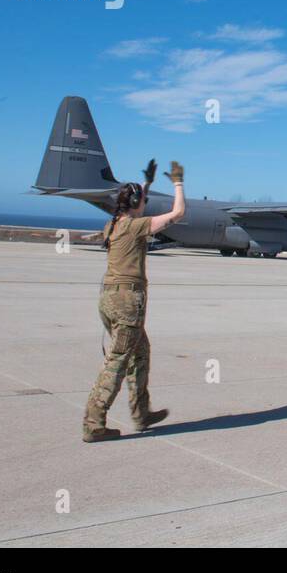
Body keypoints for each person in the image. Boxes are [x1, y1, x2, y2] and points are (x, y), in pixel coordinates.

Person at [83, 160, 186, 442]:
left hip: (108, 298)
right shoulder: (136, 226)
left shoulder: (112, 224)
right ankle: (94, 422)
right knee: (118, 361)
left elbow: (134, 201)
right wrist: (178, 182)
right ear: (138, 203)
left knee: (140, 353)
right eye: (145, 199)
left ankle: (141, 412)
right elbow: (178, 213)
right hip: (128, 301)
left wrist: (147, 183)